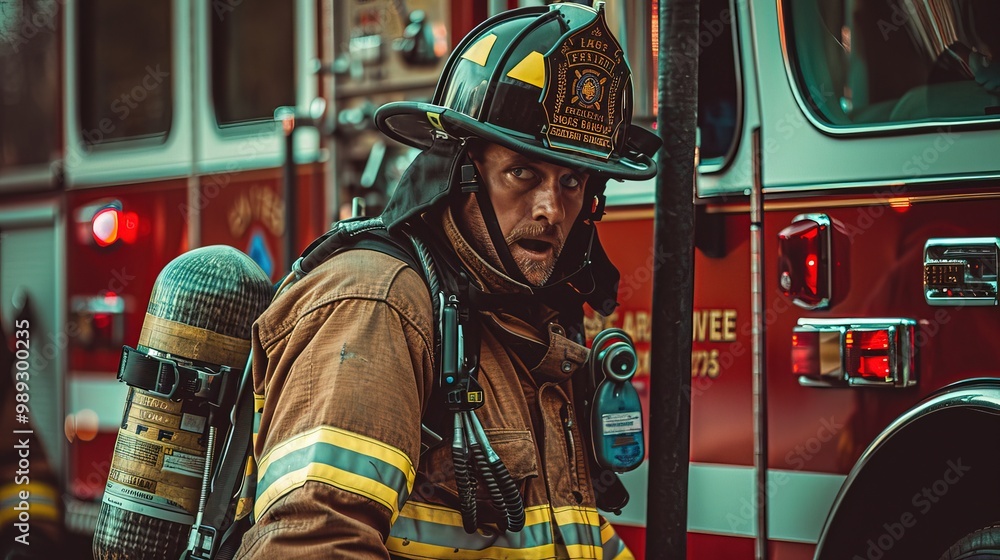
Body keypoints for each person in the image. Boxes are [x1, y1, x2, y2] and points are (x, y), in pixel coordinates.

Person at [235, 3, 659, 558]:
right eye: (522, 172)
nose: (551, 209)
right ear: (460, 174)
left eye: (573, 181)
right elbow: (313, 546)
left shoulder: (521, 324)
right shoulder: (378, 306)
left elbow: (566, 536)